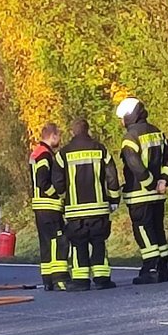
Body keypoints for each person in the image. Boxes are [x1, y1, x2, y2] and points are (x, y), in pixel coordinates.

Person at [116, 97, 168, 284]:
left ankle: (151, 268)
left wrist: (150, 184)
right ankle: (163, 266)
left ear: (130, 116)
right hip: (157, 195)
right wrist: (163, 181)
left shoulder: (130, 138)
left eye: (123, 117)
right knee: (158, 229)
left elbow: (135, 165)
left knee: (143, 229)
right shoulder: (157, 132)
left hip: (139, 194)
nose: (122, 122)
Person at [59, 118, 118, 291]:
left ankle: (80, 281)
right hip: (99, 208)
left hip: (75, 211)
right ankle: (102, 279)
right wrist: (114, 199)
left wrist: (64, 196)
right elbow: (112, 177)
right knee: (99, 243)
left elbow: (57, 181)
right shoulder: (100, 149)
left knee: (78, 245)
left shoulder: (64, 153)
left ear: (72, 132)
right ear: (88, 130)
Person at [28, 123, 69, 291]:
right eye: (59, 136)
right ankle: (60, 278)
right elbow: (43, 180)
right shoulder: (45, 155)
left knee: (46, 244)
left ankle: (47, 280)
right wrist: (58, 194)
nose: (60, 140)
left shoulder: (36, 152)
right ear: (53, 136)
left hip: (40, 207)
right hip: (49, 206)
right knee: (57, 242)